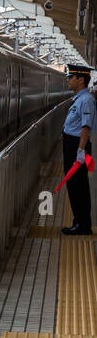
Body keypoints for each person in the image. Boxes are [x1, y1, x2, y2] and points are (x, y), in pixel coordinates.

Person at [61, 64, 95, 235]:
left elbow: (85, 128)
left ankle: (83, 225)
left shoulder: (86, 100)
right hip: (72, 146)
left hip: (76, 147)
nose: (68, 80)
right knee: (74, 186)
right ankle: (79, 222)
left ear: (80, 80)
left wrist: (80, 152)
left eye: (71, 77)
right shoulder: (80, 99)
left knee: (78, 186)